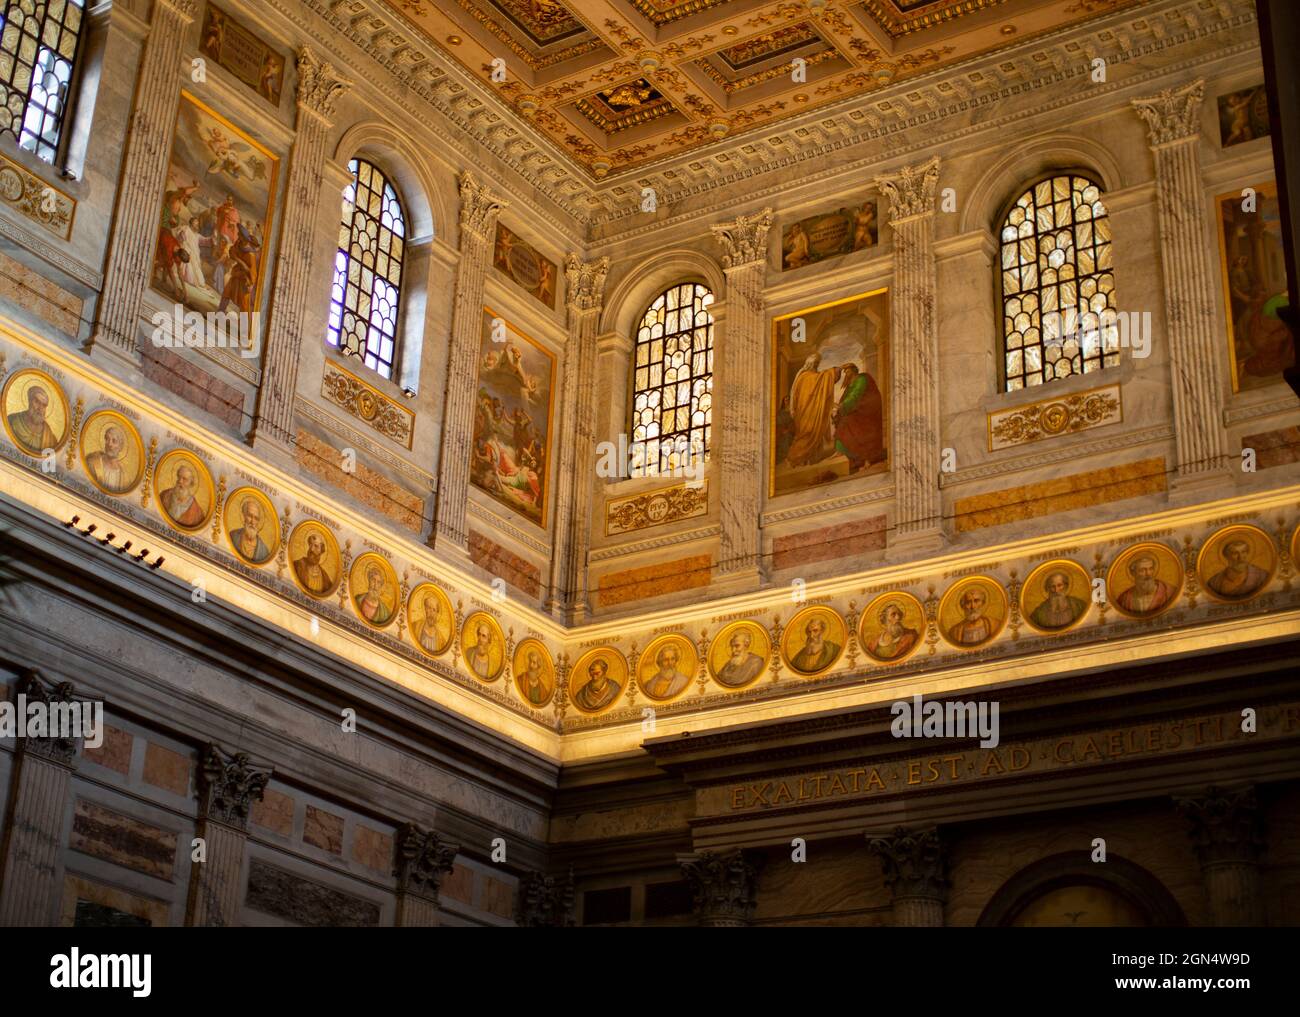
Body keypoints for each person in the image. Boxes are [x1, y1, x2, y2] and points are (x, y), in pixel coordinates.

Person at [831, 362, 885, 473]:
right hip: (857, 410)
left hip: (866, 411)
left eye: (847, 370)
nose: (845, 372)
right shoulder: (851, 383)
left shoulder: (861, 379)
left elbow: (856, 395)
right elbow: (847, 398)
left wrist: (842, 406)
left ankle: (864, 459)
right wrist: (840, 407)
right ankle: (842, 452)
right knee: (842, 422)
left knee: (847, 423)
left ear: (853, 370)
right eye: (845, 371)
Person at [1205, 540, 1270, 599]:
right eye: (1235, 553)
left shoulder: (1261, 575)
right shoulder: (1215, 582)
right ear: (1227, 556)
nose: (1240, 557)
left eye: (1243, 552)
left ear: (1247, 553)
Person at [7, 384, 59, 453]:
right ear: (29, 401)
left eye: (44, 405)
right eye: (37, 402)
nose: (40, 408)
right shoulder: (11, 421)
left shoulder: (50, 438)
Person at [85, 424, 133, 493]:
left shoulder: (124, 477)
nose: (109, 444)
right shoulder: (92, 462)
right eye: (107, 439)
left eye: (114, 441)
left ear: (120, 447)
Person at [159, 463, 207, 528]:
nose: (180, 481)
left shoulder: (197, 511)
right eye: (179, 477)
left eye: (185, 479)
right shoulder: (164, 495)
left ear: (191, 483)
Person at [229, 495, 271, 563]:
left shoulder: (264, 550)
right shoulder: (233, 536)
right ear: (244, 516)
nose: (252, 522)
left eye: (256, 518)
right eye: (249, 516)